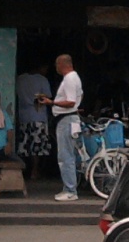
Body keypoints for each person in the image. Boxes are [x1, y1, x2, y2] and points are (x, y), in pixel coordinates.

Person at [39, 54, 84, 202]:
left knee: (66, 156)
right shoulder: (73, 77)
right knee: (67, 155)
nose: (56, 68)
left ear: (62, 64)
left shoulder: (70, 78)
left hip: (67, 119)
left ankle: (71, 190)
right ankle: (68, 188)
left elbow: (70, 102)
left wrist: (52, 102)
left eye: (57, 65)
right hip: (67, 119)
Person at [16, 63, 53, 181]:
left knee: (25, 145)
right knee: (36, 147)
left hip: (23, 117)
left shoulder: (20, 79)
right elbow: (46, 98)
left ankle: (24, 171)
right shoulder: (42, 80)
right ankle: (34, 171)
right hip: (38, 117)